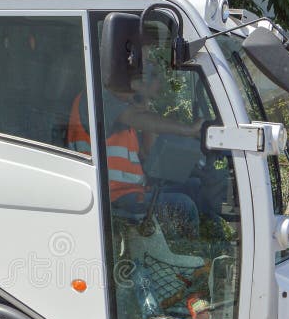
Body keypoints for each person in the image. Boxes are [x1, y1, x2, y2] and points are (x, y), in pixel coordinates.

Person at [67, 49, 203, 235]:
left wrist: (144, 101)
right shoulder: (98, 99)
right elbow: (139, 119)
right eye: (146, 76)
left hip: (131, 191)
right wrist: (188, 130)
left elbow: (148, 151)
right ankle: (194, 256)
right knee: (183, 205)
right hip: (109, 196)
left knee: (196, 186)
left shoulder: (125, 112)